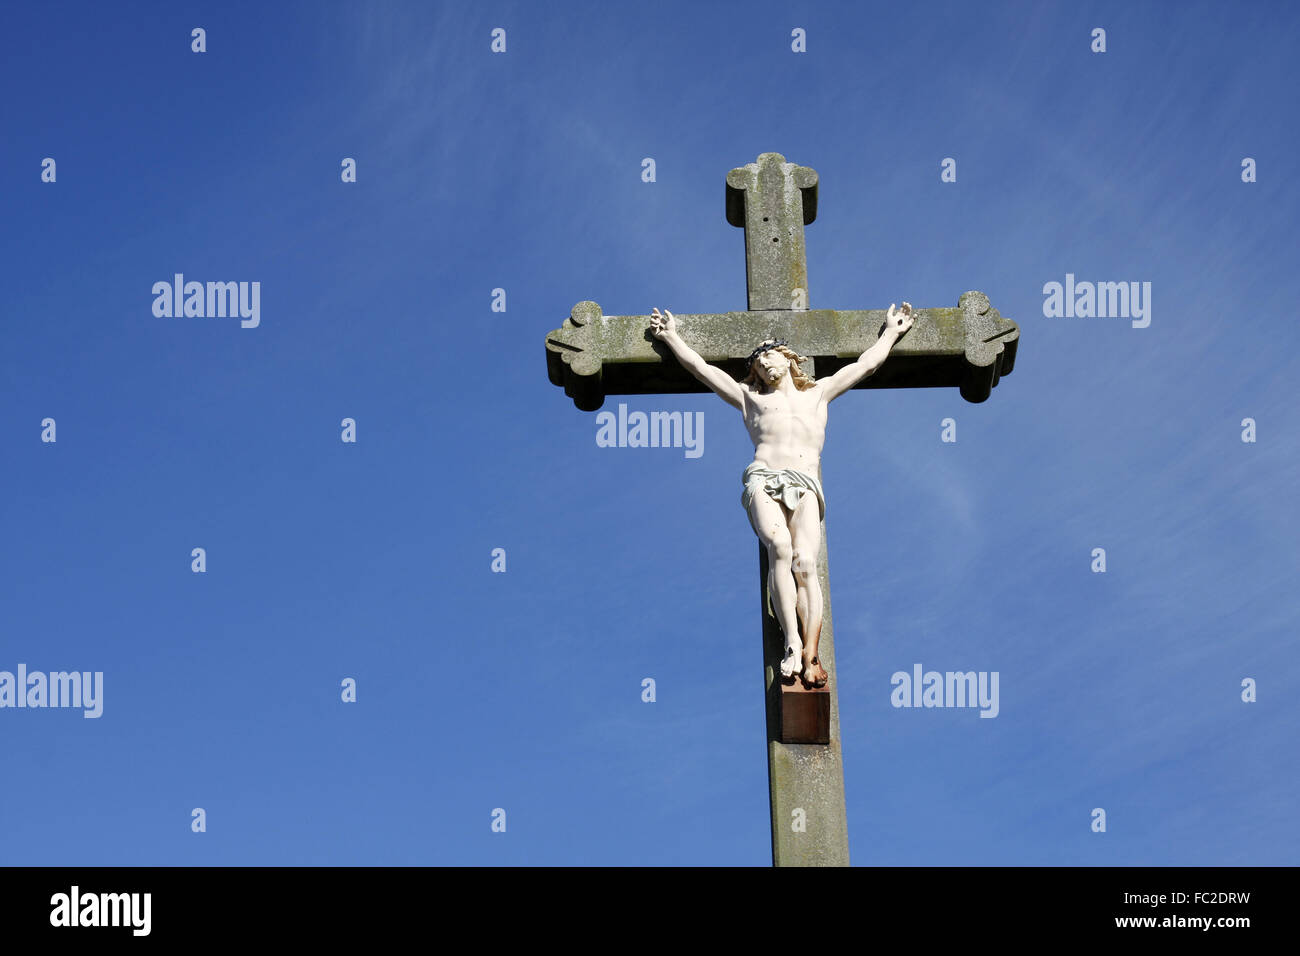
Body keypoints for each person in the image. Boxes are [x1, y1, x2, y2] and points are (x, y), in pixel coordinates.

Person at [649, 303, 915, 686]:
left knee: (805, 562)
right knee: (779, 546)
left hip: (804, 482)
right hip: (764, 478)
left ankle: (811, 651)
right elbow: (702, 370)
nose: (765, 368)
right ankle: (791, 640)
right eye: (758, 367)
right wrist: (672, 336)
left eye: (769, 359)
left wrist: (891, 332)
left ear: (788, 358)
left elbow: (864, 366)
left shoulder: (818, 394)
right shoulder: (749, 399)